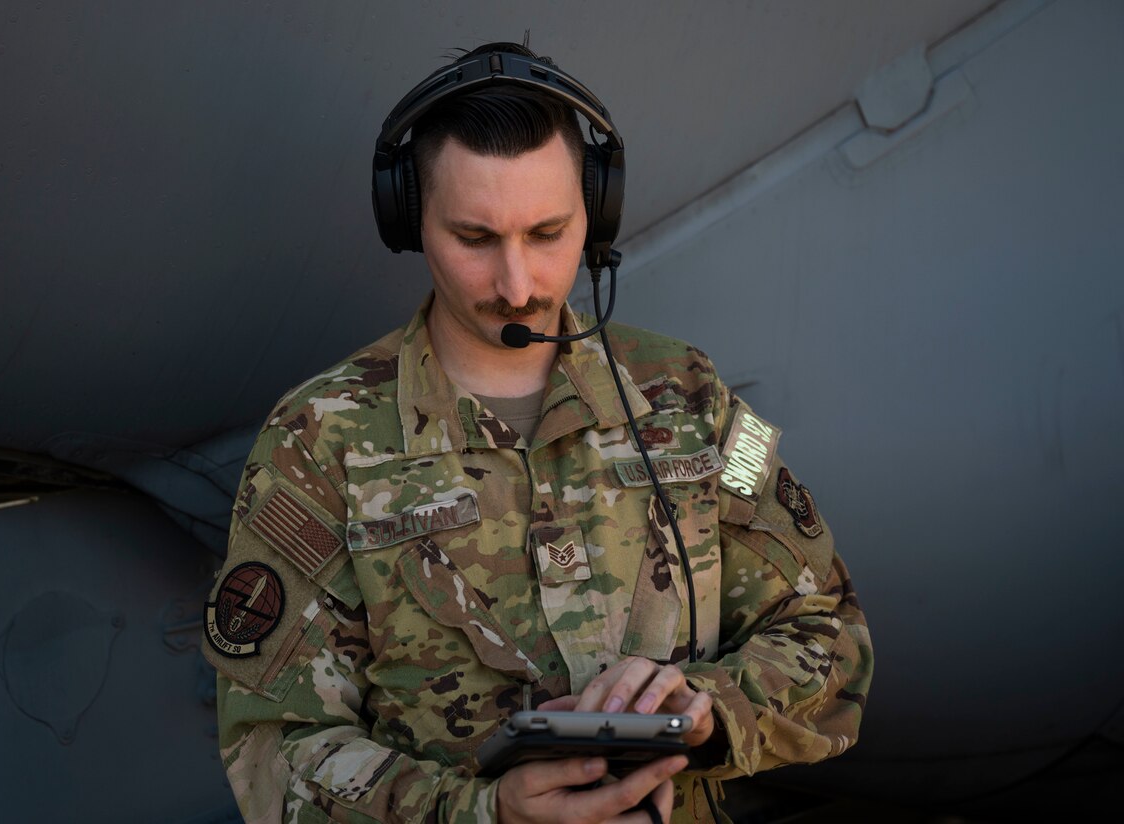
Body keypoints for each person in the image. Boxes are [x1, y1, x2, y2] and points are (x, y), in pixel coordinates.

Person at [202, 41, 873, 824]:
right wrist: (483, 814)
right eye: (475, 240)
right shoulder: (320, 439)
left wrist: (704, 710)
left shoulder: (683, 394)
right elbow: (272, 750)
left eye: (548, 234)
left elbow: (829, 635)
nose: (517, 286)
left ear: (597, 211)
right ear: (408, 219)